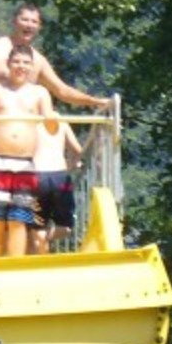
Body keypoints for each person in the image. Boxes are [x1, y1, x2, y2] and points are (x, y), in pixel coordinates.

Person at [0, 46, 59, 256]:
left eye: (26, 63)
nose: (21, 67)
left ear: (31, 66)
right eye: (17, 62)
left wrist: (52, 118)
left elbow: (51, 128)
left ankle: (14, 267)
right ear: (9, 64)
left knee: (18, 220)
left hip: (24, 164)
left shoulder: (40, 93)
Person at [0, 3, 108, 113]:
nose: (29, 25)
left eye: (34, 22)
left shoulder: (38, 61)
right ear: (14, 21)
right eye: (25, 20)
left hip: (25, 131)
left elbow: (61, 91)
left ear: (39, 27)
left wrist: (93, 101)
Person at [33, 97, 109, 254]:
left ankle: (40, 239)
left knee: (36, 225)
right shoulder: (61, 121)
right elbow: (77, 151)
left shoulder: (30, 121)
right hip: (60, 177)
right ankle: (44, 237)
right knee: (66, 227)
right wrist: (72, 165)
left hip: (36, 177)